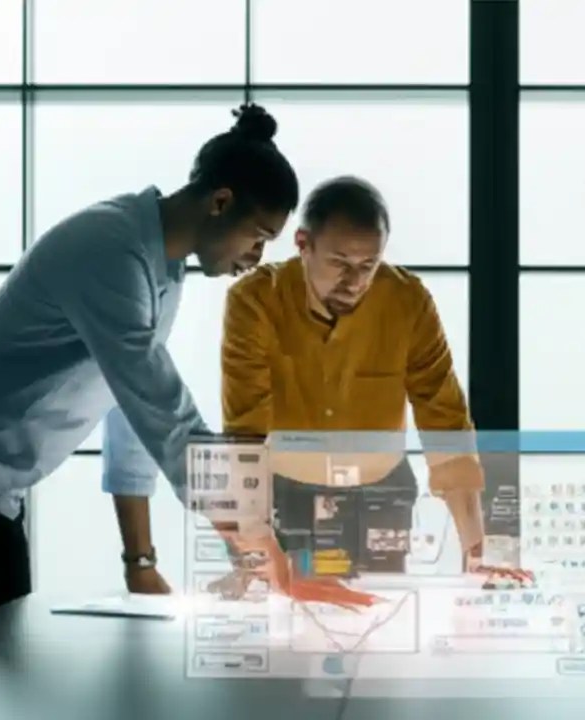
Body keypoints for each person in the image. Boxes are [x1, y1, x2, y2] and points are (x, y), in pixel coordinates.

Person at [0, 103, 329, 651]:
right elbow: (164, 409)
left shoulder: (163, 269)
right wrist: (249, 530)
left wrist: (141, 561)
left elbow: (131, 413)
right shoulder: (111, 248)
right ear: (220, 202)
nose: (255, 258)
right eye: (257, 237)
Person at [217, 176, 528, 584]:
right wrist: (251, 536)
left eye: (369, 265)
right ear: (303, 244)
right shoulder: (255, 300)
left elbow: (444, 420)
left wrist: (475, 550)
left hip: (382, 490)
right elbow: (245, 429)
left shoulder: (407, 300)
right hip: (284, 492)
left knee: (382, 620)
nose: (355, 282)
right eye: (340, 264)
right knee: (281, 626)